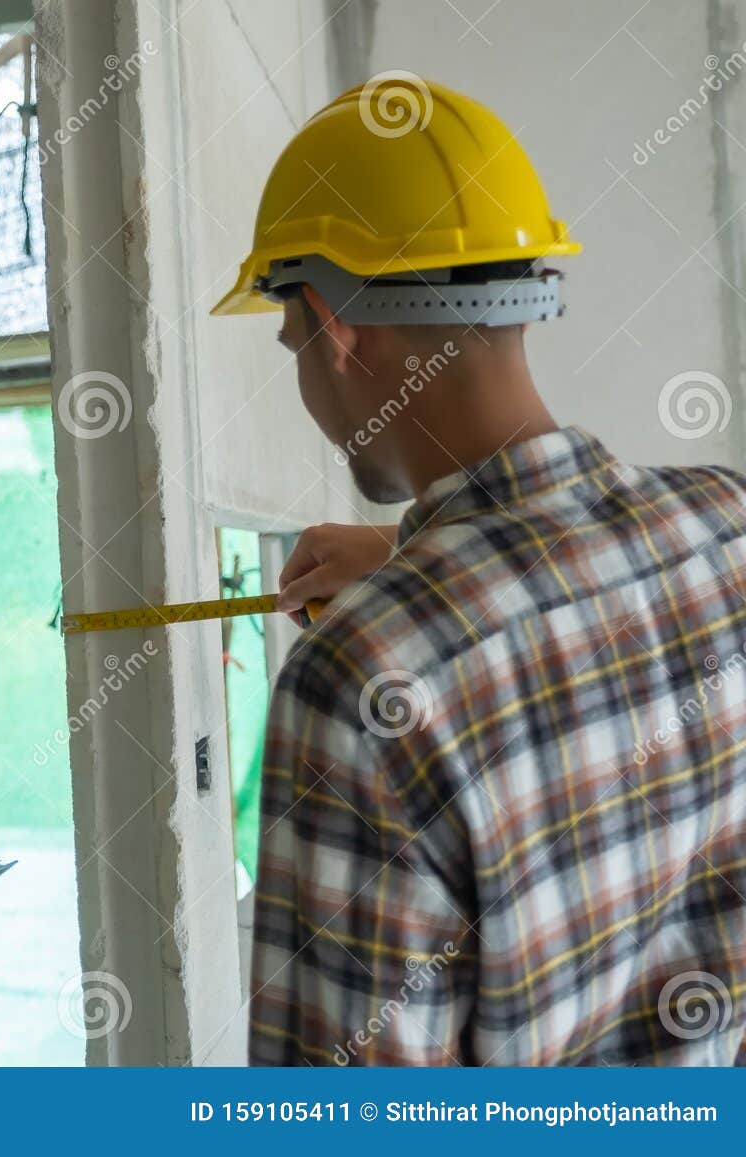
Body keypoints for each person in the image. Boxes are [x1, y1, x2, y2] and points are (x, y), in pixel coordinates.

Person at [210, 77, 746, 1064]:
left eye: (292, 342)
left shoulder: (359, 680)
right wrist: (424, 570)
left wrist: (420, 598)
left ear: (333, 325)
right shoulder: (725, 522)